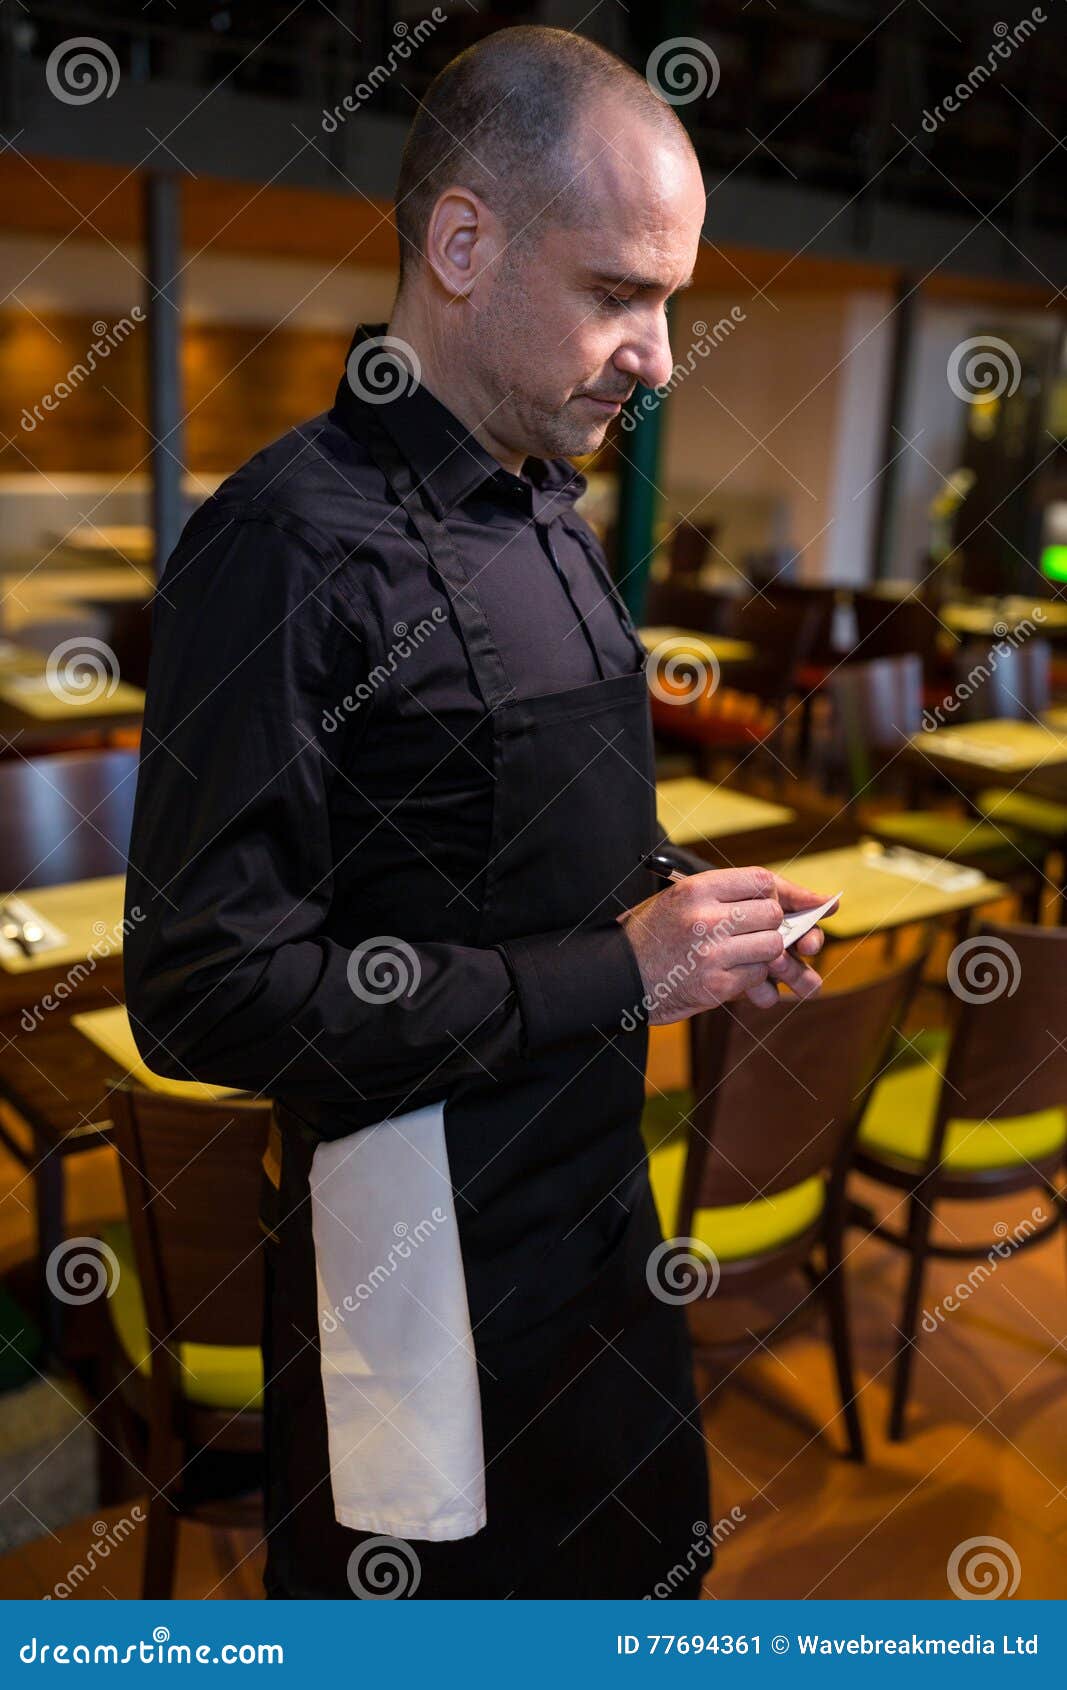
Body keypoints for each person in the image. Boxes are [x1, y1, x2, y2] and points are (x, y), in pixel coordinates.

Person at [122, 24, 829, 1600]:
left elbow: (513, 844)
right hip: (418, 1263)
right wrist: (617, 970)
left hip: (602, 1222)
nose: (657, 350)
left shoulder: (554, 511)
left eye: (670, 301)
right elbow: (198, 985)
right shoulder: (284, 546)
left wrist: (693, 924)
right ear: (461, 241)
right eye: (618, 293)